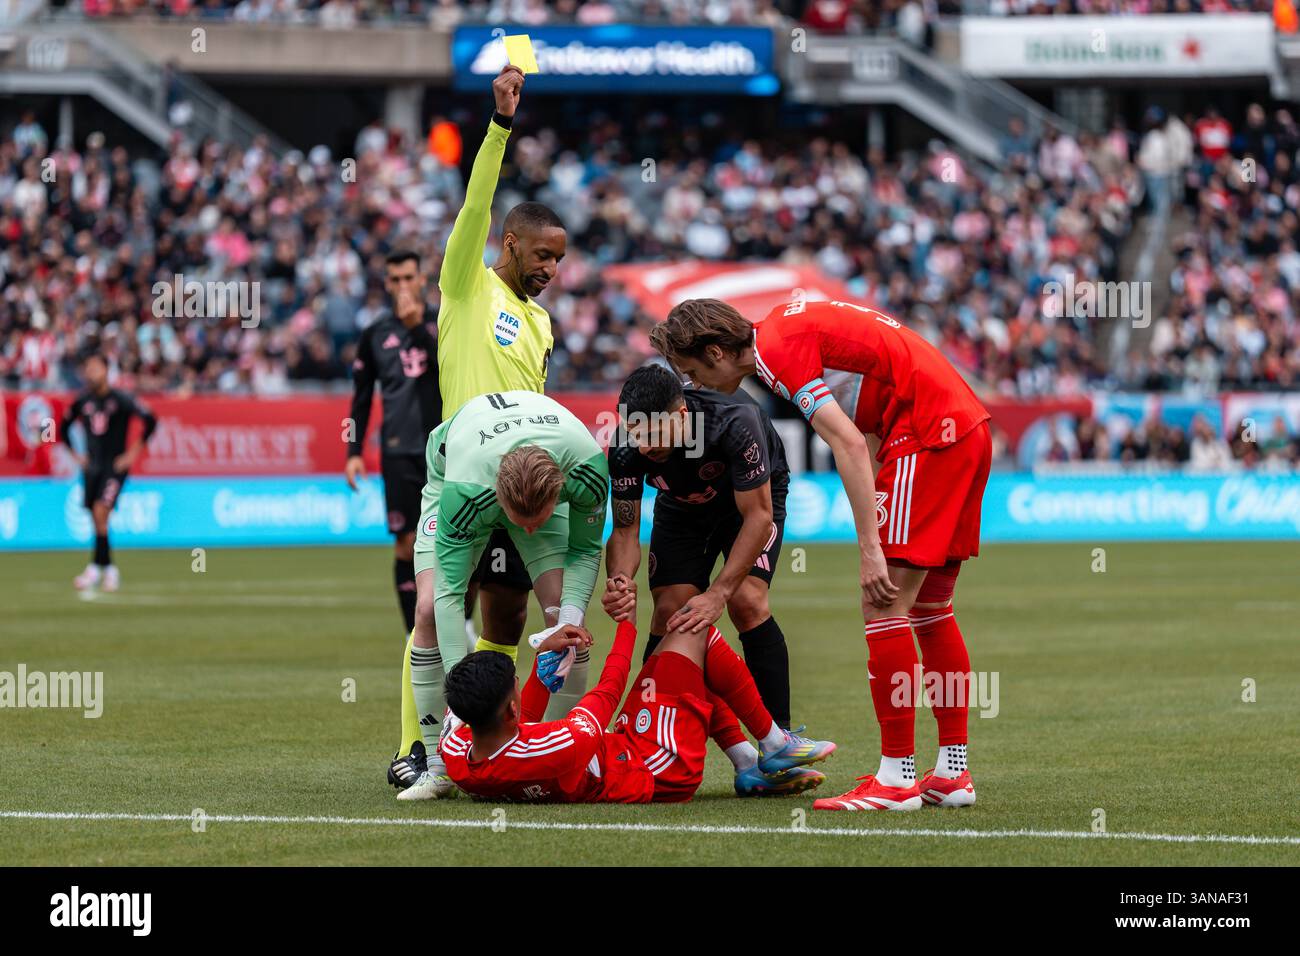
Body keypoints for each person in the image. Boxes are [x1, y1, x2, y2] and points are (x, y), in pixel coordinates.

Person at [650, 297, 991, 812]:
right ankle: (951, 773)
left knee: (884, 605)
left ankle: (896, 780)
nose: (694, 387)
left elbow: (848, 445)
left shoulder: (777, 354)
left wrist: (871, 549)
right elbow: (870, 416)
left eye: (692, 372)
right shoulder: (787, 327)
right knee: (930, 609)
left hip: (924, 434)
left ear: (717, 352)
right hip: (962, 426)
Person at [388, 64, 573, 790]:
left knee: (507, 621)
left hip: (521, 488)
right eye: (542, 255)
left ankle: (508, 745)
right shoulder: (466, 285)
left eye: (559, 258)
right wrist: (500, 125)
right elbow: (474, 205)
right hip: (461, 477)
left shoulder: (543, 321)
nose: (551, 269)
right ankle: (417, 748)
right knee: (432, 612)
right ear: (509, 246)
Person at [397, 391, 608, 801]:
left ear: (559, 495)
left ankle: (552, 757)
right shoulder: (466, 493)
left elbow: (584, 550)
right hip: (455, 467)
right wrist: (462, 708)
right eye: (518, 523)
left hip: (543, 453)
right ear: (499, 501)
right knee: (424, 610)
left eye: (538, 521)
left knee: (568, 625)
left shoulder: (587, 473)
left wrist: (566, 617)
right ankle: (438, 769)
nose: (526, 533)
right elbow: (449, 597)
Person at [439, 594, 835, 804]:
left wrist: (546, 663)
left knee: (683, 659)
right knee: (696, 629)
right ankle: (774, 744)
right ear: (511, 707)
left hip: (623, 749)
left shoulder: (458, 751)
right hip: (654, 767)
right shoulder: (559, 744)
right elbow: (608, 691)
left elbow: (512, 725)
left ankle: (749, 763)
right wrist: (626, 622)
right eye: (516, 686)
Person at [605, 364, 795, 745]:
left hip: (748, 506)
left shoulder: (733, 422)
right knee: (671, 611)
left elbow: (758, 517)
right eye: (636, 434)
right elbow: (625, 529)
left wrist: (718, 594)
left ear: (680, 416)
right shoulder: (626, 449)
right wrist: (621, 581)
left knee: (746, 600)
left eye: (654, 434)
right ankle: (654, 736)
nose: (644, 447)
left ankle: (782, 744)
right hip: (681, 507)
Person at [345, 249, 441, 643]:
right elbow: (362, 397)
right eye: (395, 280)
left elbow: (452, 371)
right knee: (406, 542)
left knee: (460, 541)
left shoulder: (444, 323)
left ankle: (463, 624)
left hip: (445, 448)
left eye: (408, 278)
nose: (402, 286)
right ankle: (412, 636)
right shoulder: (375, 334)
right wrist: (353, 452)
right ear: (387, 284)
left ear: (422, 279)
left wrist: (418, 328)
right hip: (399, 451)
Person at [59, 354, 158, 593]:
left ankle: (100, 570)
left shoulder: (121, 399)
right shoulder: (82, 401)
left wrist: (132, 454)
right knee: (96, 518)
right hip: (92, 467)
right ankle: (104, 568)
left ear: (106, 370)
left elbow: (151, 420)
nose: (91, 373)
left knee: (101, 512)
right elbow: (61, 428)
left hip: (114, 467)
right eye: (88, 368)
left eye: (96, 368)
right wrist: (75, 456)